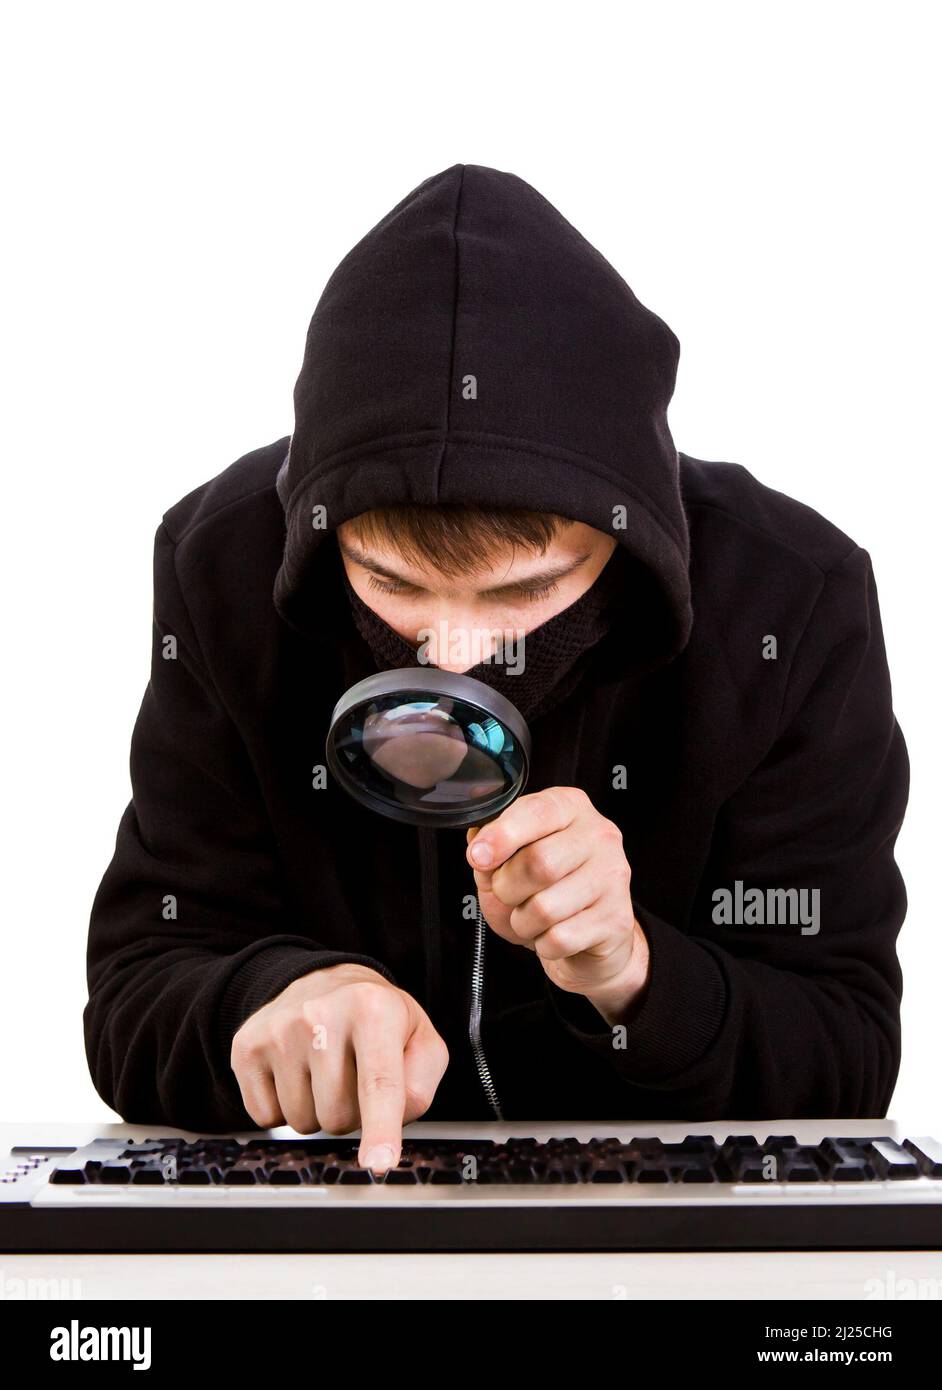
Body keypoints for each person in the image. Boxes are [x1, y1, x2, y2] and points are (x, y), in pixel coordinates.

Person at [85, 163, 909, 1175]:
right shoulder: (221, 565)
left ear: (628, 541)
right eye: (390, 582)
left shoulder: (791, 596)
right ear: (320, 537)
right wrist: (276, 995)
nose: (458, 656)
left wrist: (636, 976)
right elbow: (136, 985)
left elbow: (849, 1055)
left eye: (524, 592)